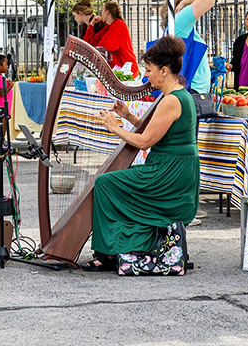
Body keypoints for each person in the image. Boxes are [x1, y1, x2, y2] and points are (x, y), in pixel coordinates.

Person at [81, 35, 199, 271]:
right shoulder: (175, 95)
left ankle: (107, 255)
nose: (146, 76)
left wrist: (114, 127)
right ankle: (119, 247)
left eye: (148, 70)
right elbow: (158, 133)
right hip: (170, 168)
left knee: (105, 183)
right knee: (114, 183)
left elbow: (145, 142)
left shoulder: (171, 100)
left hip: (169, 174)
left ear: (164, 71)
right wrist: (127, 116)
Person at [160, 0, 215, 94]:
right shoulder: (180, 20)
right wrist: (186, 1)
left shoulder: (178, 25)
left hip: (193, 88)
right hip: (193, 89)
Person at [86, 1, 140, 78]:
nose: (101, 14)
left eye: (102, 11)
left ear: (107, 12)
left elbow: (104, 47)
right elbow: (90, 43)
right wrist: (91, 25)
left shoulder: (119, 25)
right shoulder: (109, 27)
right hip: (117, 73)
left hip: (127, 72)